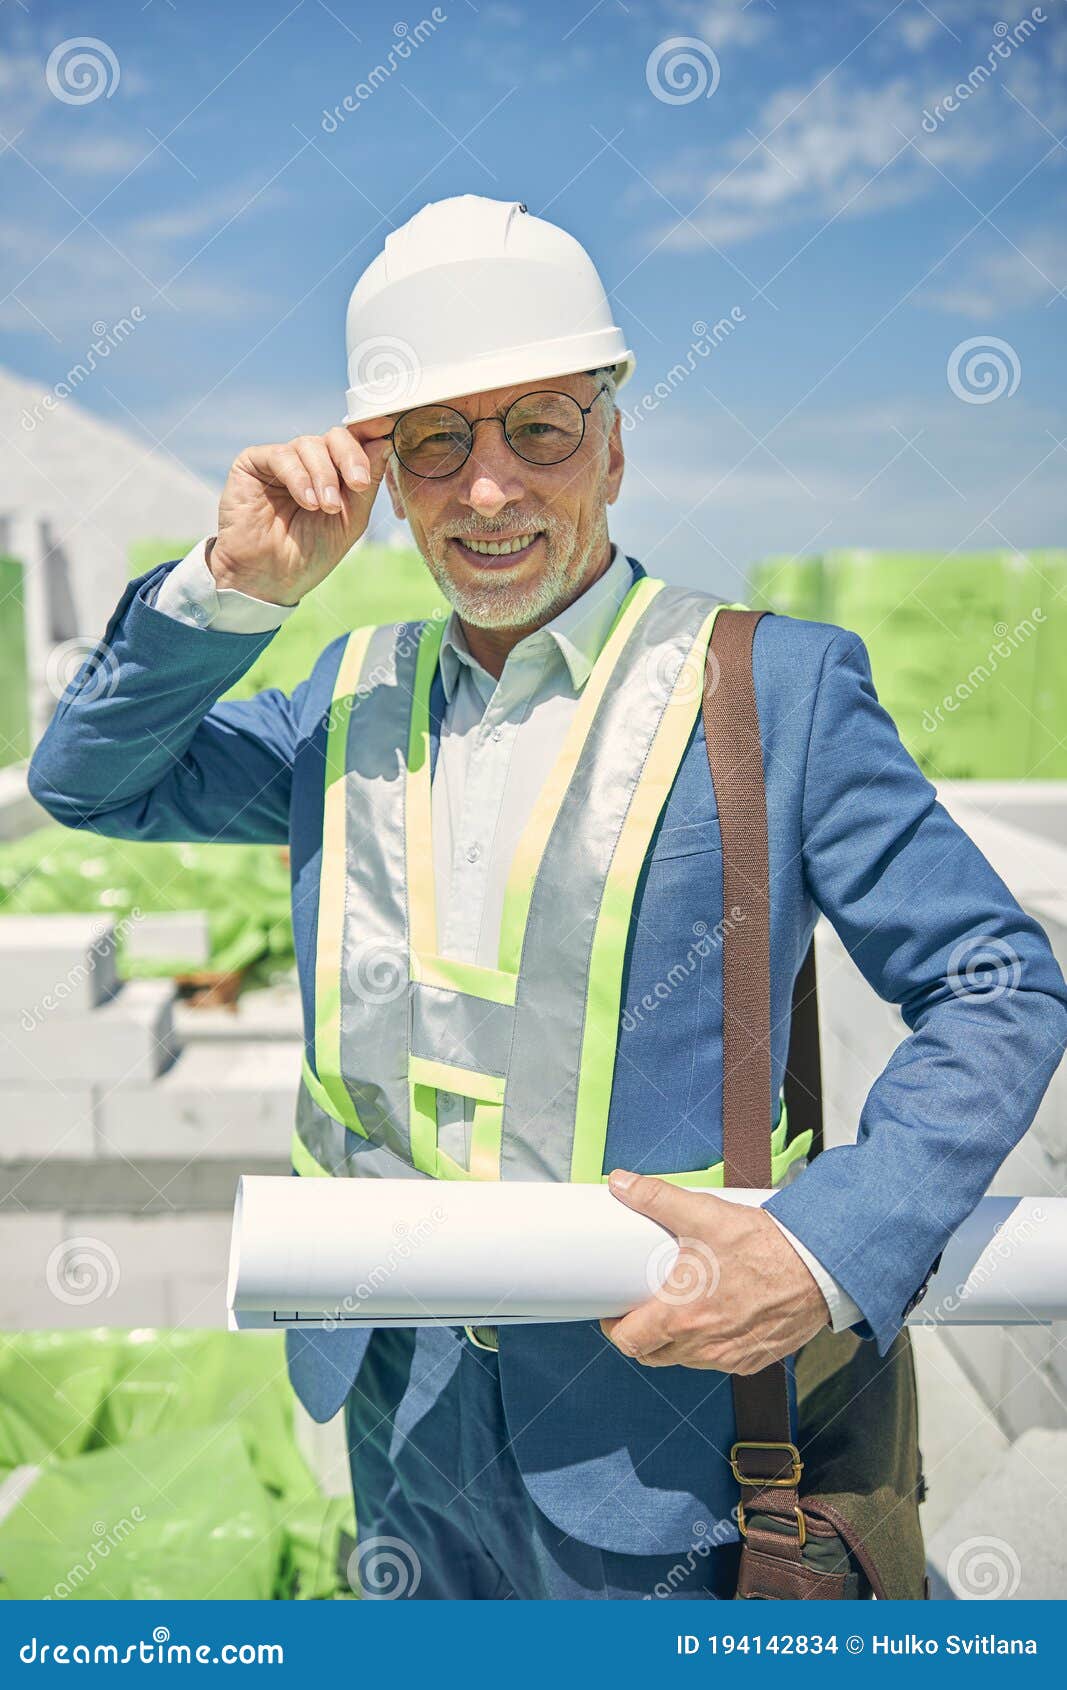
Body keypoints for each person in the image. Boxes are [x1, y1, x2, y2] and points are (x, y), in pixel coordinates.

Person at [29, 196, 1067, 1601]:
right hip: (397, 1397)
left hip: (659, 1428)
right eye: (438, 442)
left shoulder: (772, 690)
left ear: (617, 443)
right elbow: (90, 778)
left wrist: (824, 1248)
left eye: (541, 428)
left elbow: (995, 982)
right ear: (386, 480)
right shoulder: (343, 698)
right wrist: (230, 588)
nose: (491, 489)